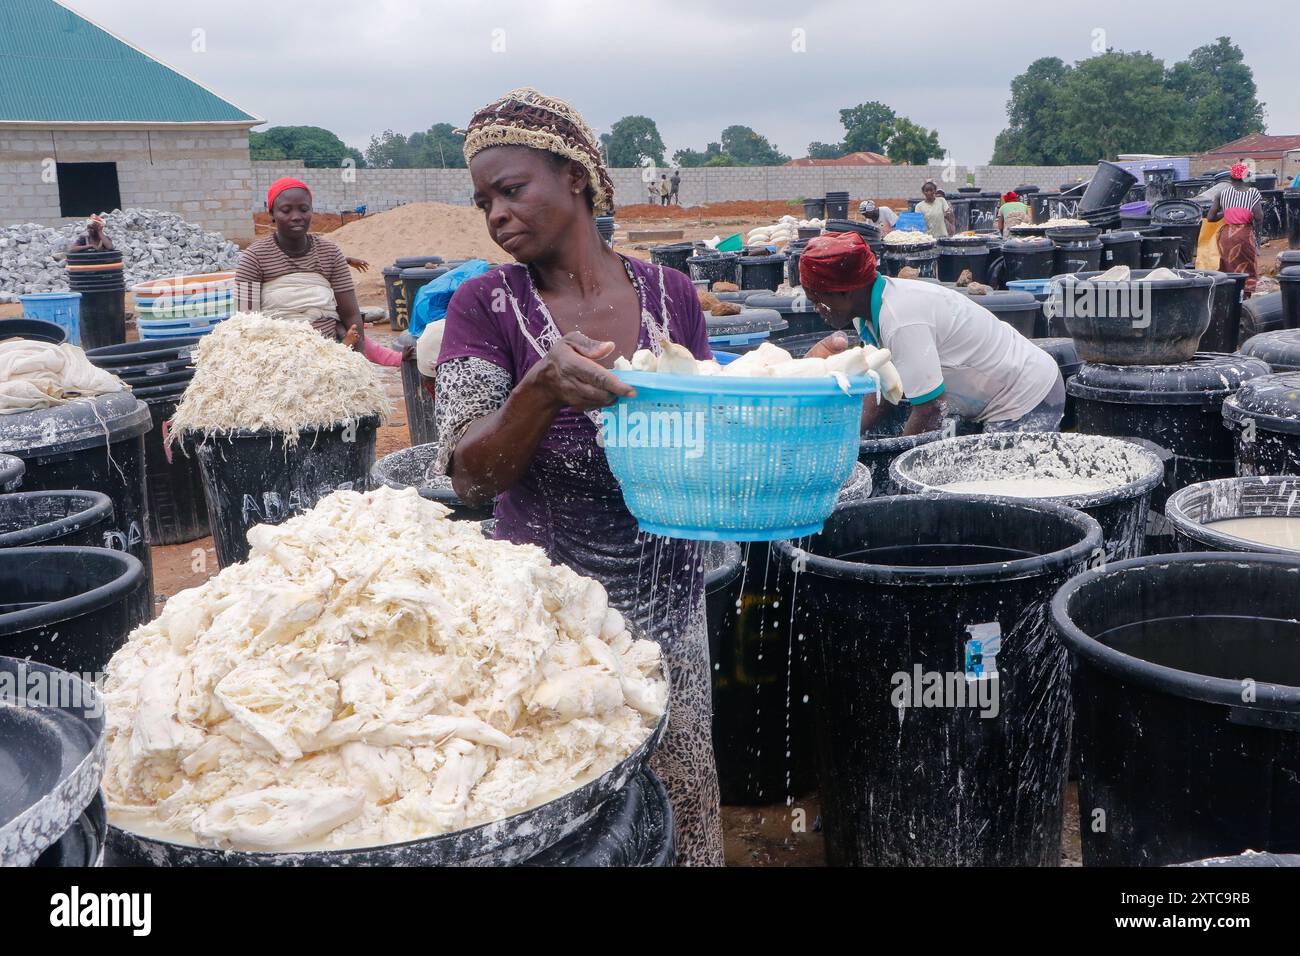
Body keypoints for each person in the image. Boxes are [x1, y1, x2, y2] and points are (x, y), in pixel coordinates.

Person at [432, 88, 723, 865]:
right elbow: (468, 477)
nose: (495, 214)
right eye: (483, 199)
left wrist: (793, 382)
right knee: (582, 811)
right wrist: (540, 389)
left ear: (577, 177)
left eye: (512, 189)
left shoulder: (672, 296)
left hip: (669, 604)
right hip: (551, 622)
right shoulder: (483, 306)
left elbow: (709, 427)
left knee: (681, 797)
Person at [799, 231, 1065, 434]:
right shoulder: (864, 316)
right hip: (994, 399)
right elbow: (888, 387)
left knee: (1003, 491)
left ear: (846, 291)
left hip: (1027, 396)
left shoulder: (901, 319)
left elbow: (930, 408)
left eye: (818, 299)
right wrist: (850, 435)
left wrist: (899, 461)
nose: (817, 310)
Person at [235, 177, 364, 349]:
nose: (296, 217)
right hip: (274, 356)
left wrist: (360, 359)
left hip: (331, 355)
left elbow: (351, 315)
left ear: (311, 210)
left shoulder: (330, 253)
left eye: (303, 209)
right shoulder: (253, 258)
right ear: (272, 213)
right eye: (286, 210)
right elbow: (246, 321)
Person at [1207, 162, 1264, 295]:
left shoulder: (1221, 194)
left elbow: (1210, 217)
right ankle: (1245, 294)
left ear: (1231, 178)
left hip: (1226, 235)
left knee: (1227, 264)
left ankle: (1229, 292)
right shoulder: (1253, 193)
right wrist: (1258, 239)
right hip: (1244, 235)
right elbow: (1259, 217)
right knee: (1247, 265)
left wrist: (1227, 212)